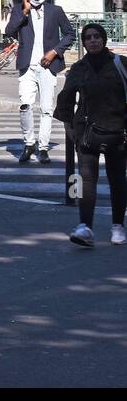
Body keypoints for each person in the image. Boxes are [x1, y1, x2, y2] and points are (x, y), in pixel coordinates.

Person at [55, 23, 127, 247]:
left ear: (104, 39)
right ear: (83, 42)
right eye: (88, 38)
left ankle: (118, 226)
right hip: (87, 134)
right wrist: (70, 128)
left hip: (118, 132)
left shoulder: (119, 64)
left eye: (97, 37)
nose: (93, 40)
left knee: (117, 180)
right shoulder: (79, 68)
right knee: (86, 182)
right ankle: (85, 227)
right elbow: (66, 98)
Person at [5, 0, 75, 163]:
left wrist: (54, 52)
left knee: (46, 109)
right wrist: (24, 12)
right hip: (27, 66)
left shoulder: (55, 11)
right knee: (25, 106)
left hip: (48, 67)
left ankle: (43, 147)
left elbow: (70, 34)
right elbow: (9, 31)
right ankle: (29, 144)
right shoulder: (19, 10)